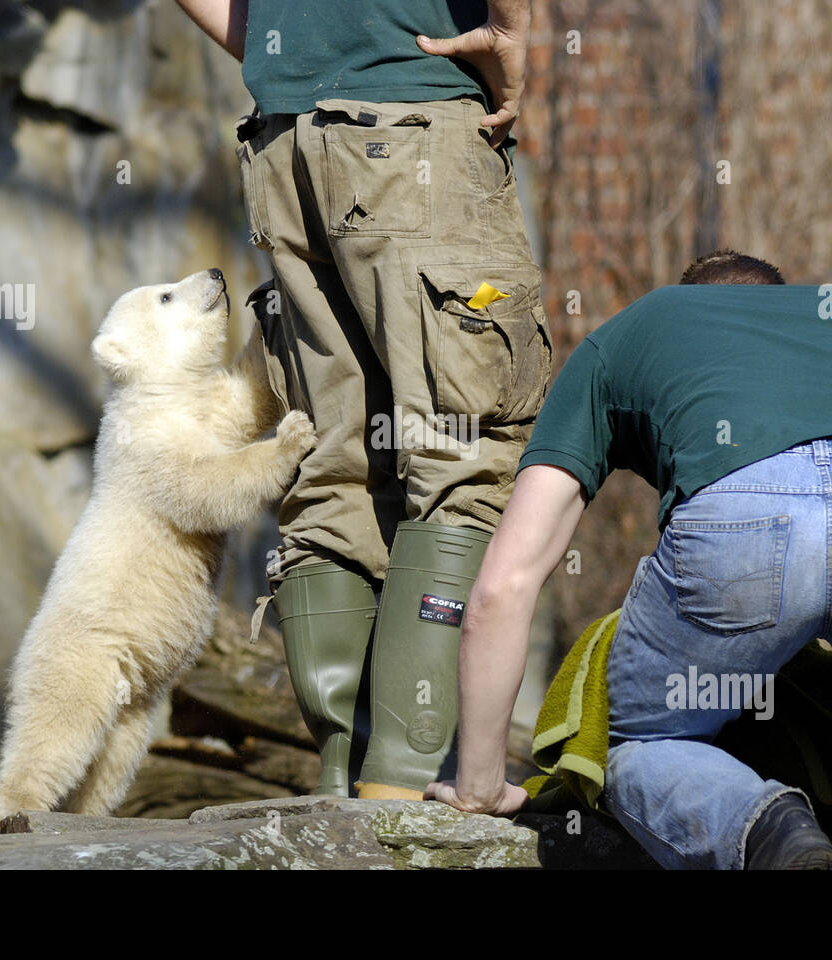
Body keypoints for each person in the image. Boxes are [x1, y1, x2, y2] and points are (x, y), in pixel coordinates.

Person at [426, 250, 832, 870]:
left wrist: (478, 785)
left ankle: (771, 832)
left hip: (739, 516)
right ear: (777, 293)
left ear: (688, 295)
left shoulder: (634, 329)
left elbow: (504, 584)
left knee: (644, 748)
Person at [176, 0, 551, 798]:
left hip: (283, 143)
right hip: (411, 125)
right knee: (463, 452)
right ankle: (412, 800)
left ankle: (347, 792)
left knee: (334, 472)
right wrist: (513, 28)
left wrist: (283, 52)